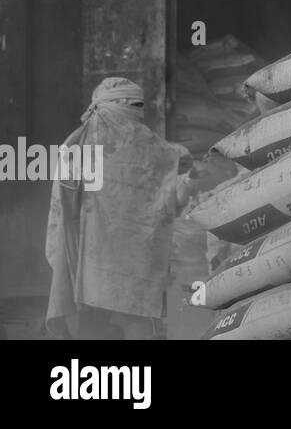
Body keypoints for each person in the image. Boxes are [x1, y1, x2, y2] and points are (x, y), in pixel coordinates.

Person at [45, 77, 192, 340]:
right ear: (120, 109)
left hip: (87, 268)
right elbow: (176, 162)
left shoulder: (75, 145)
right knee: (130, 325)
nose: (137, 120)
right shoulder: (139, 147)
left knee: (99, 328)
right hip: (117, 269)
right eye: (134, 108)